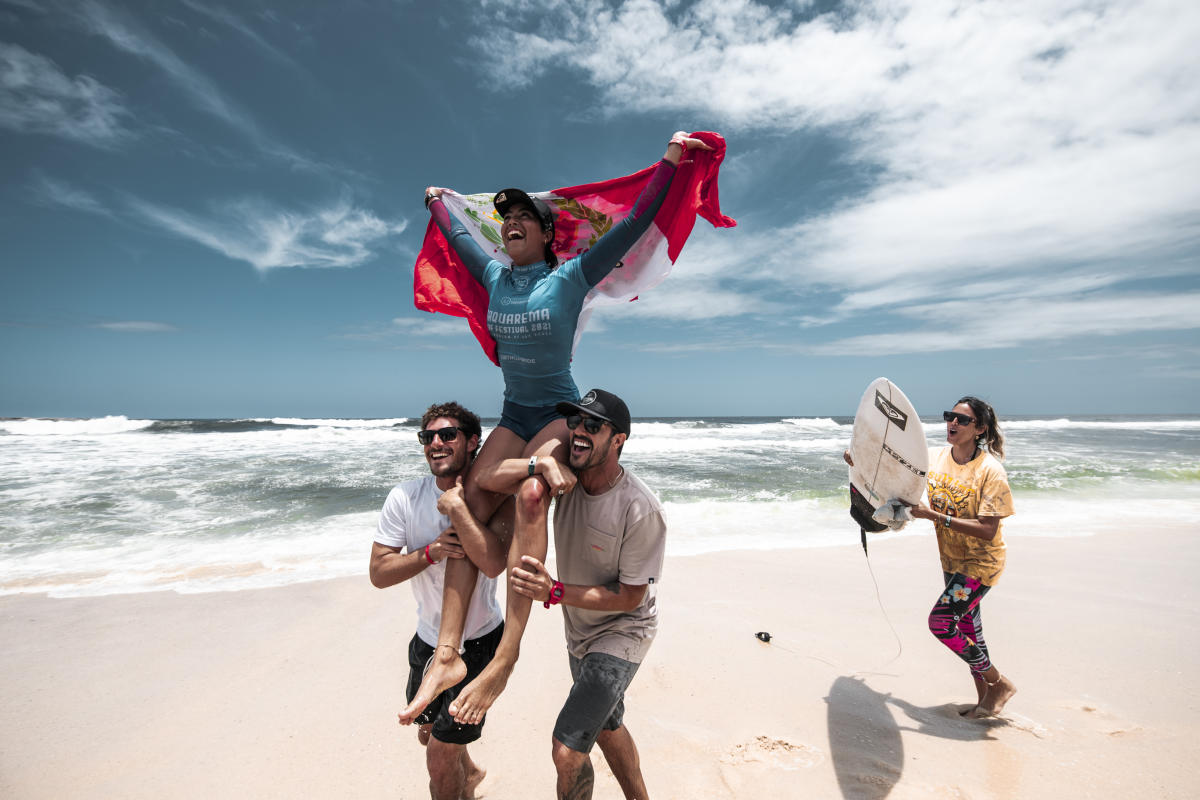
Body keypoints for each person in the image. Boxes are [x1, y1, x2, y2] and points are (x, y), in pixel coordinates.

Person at [401, 131, 708, 727]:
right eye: (507, 218)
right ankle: (446, 654)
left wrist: (669, 162)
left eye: (524, 218)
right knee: (468, 496)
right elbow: (461, 238)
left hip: (556, 412)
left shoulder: (569, 278)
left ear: (546, 234)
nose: (512, 223)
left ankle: (508, 653)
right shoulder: (493, 278)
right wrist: (437, 201)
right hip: (516, 412)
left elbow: (632, 227)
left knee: (534, 493)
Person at [482, 388, 664, 799]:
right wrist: (540, 462)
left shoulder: (640, 509)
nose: (579, 431)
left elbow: (630, 597)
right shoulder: (563, 480)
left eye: (593, 425)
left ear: (618, 439)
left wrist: (556, 590)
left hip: (623, 633)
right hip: (579, 630)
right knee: (606, 724)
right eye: (575, 421)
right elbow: (486, 478)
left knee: (567, 749)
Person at [369, 401, 512, 800]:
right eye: (427, 437)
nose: (435, 442)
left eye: (447, 434)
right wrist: (430, 552)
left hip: (481, 642)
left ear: (472, 442)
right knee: (427, 732)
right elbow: (379, 573)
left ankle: (459, 776)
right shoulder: (405, 497)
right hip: (427, 640)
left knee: (439, 754)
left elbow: (494, 562)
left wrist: (461, 515)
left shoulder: (497, 496)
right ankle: (471, 773)